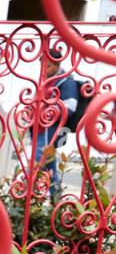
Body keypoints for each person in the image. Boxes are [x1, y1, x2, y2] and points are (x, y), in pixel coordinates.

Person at [34, 49, 82, 200]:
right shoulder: (46, 82)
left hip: (52, 132)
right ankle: (56, 197)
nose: (43, 70)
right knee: (49, 164)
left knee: (36, 162)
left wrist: (50, 110)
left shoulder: (66, 82)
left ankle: (25, 195)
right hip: (40, 129)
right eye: (41, 65)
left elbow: (71, 106)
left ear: (56, 65)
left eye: (46, 66)